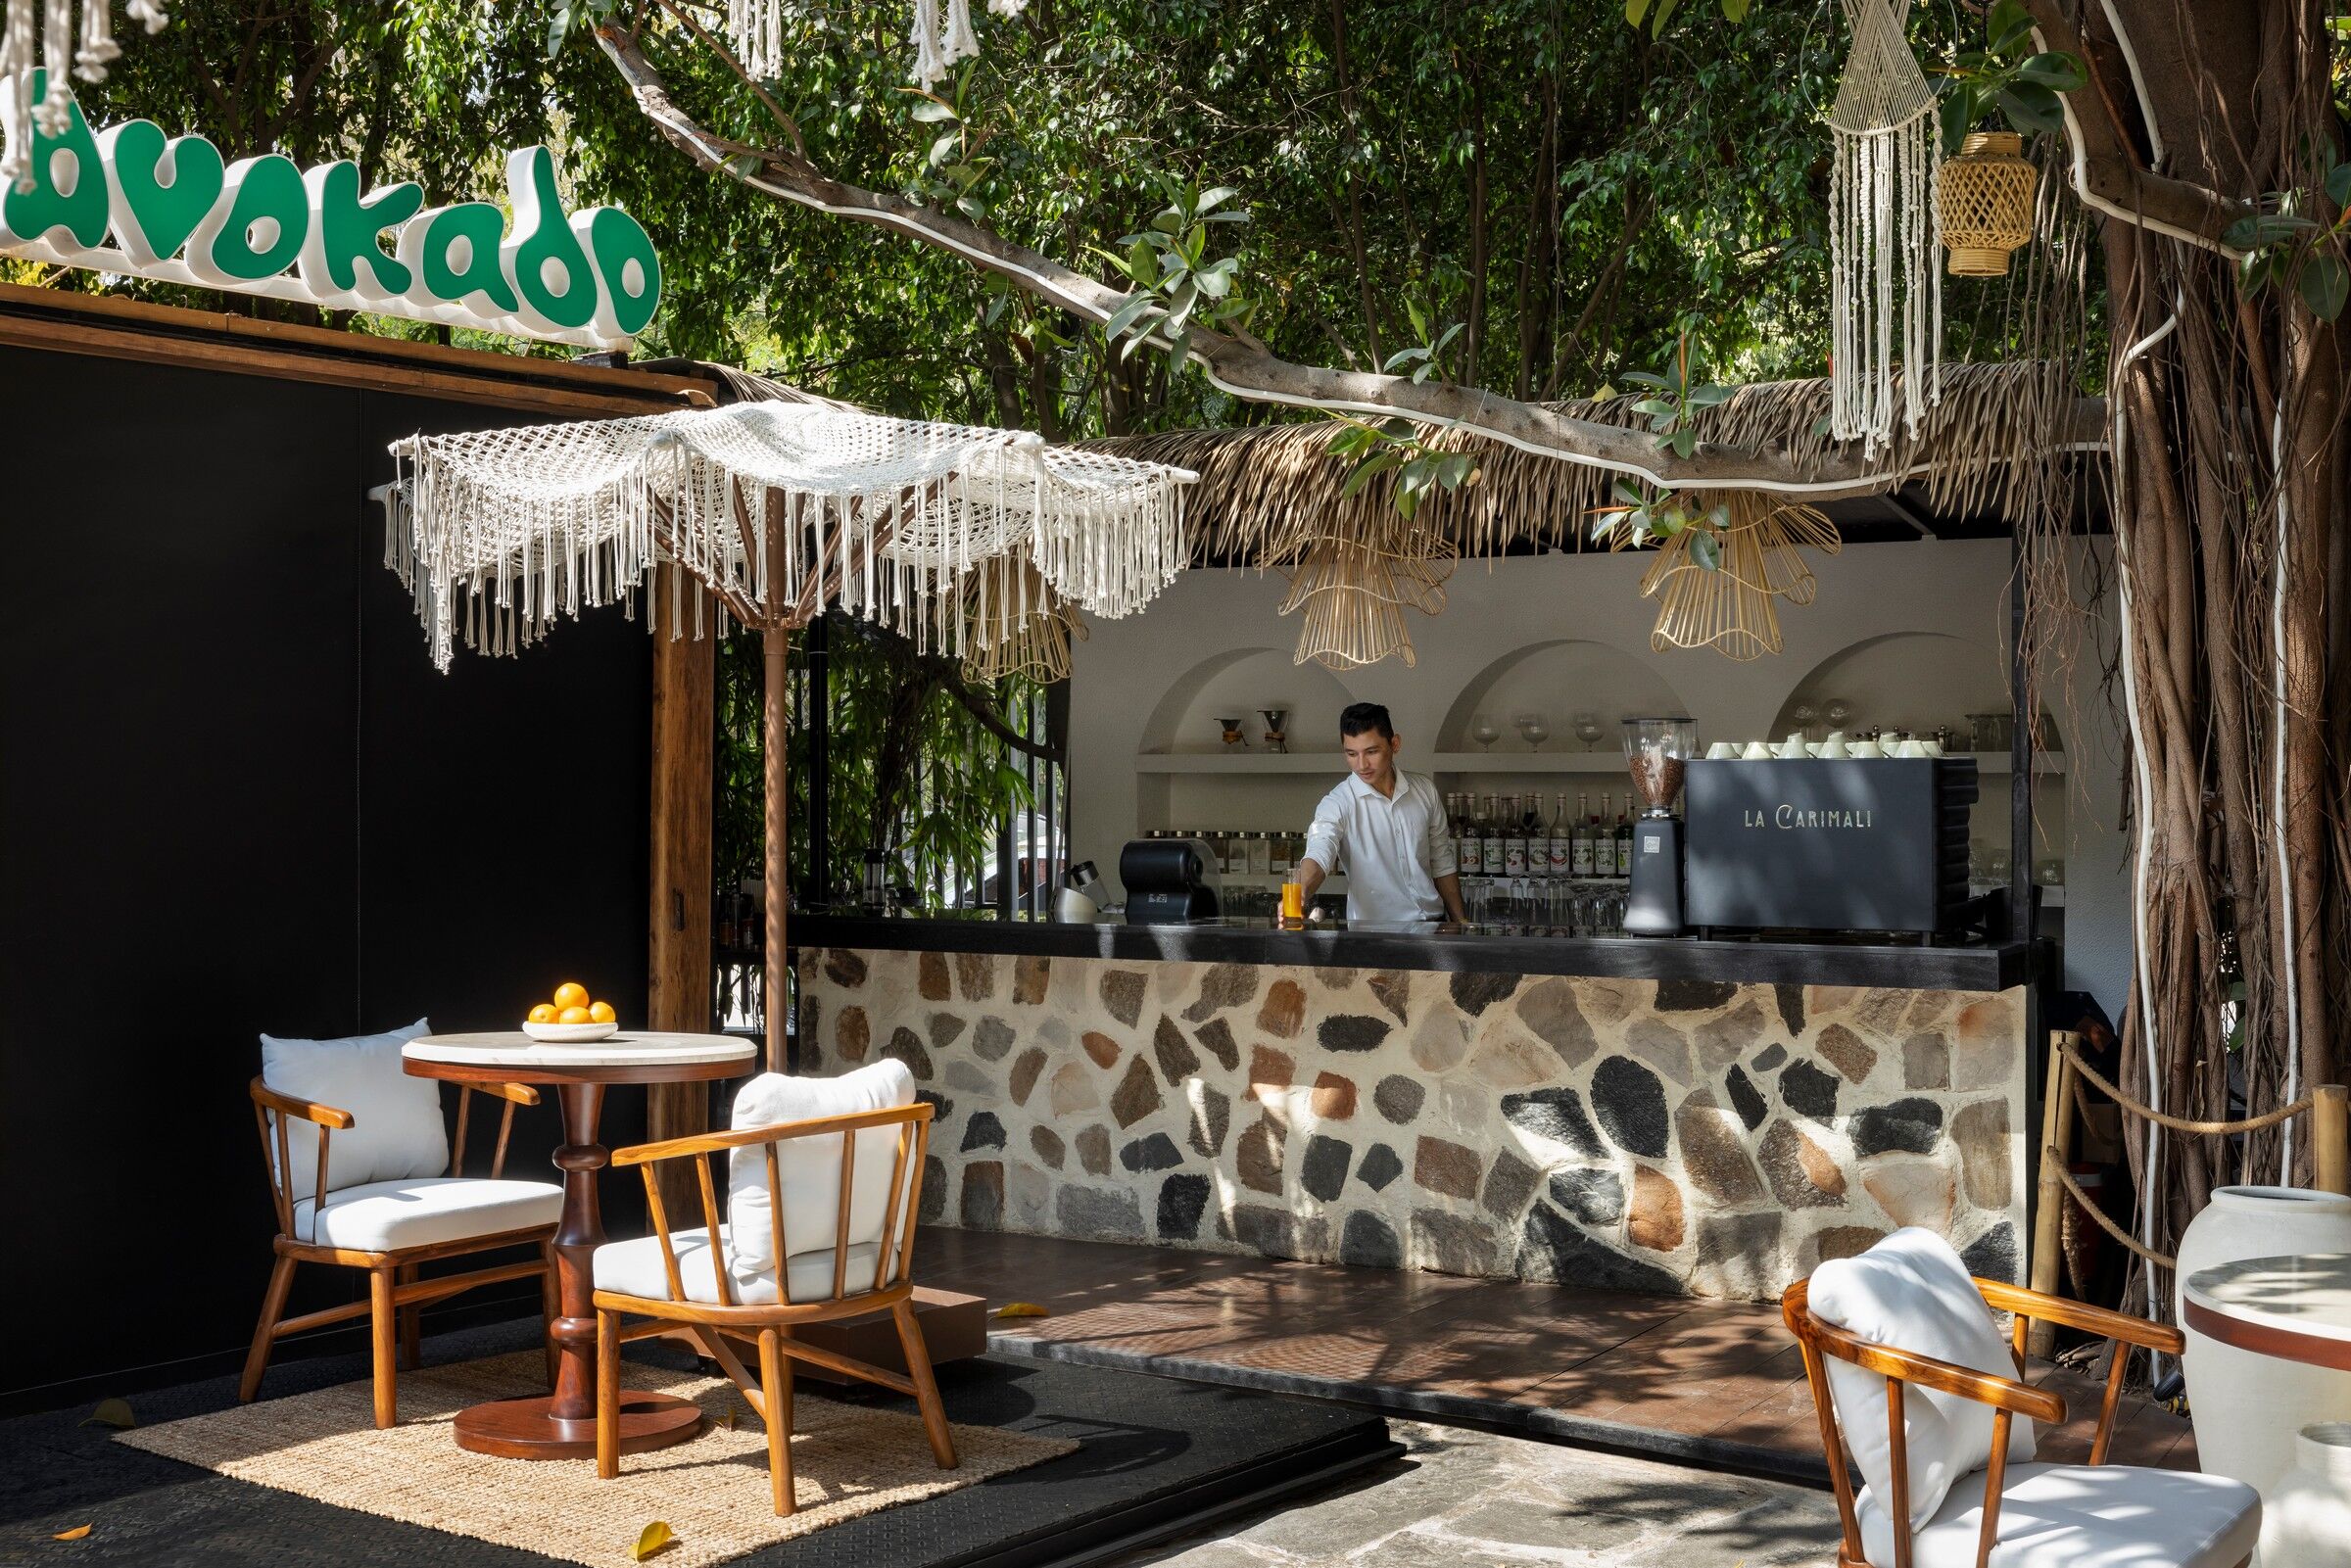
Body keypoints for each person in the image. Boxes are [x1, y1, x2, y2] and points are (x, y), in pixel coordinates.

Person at [1295, 703, 1467, 925]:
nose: (1362, 765)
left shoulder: (1425, 790)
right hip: (1374, 933)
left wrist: (1461, 923)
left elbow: (1442, 862)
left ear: (1395, 744)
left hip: (1433, 926)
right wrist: (1301, 893)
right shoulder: (1337, 802)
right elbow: (1319, 852)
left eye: (1371, 752)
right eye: (1351, 754)